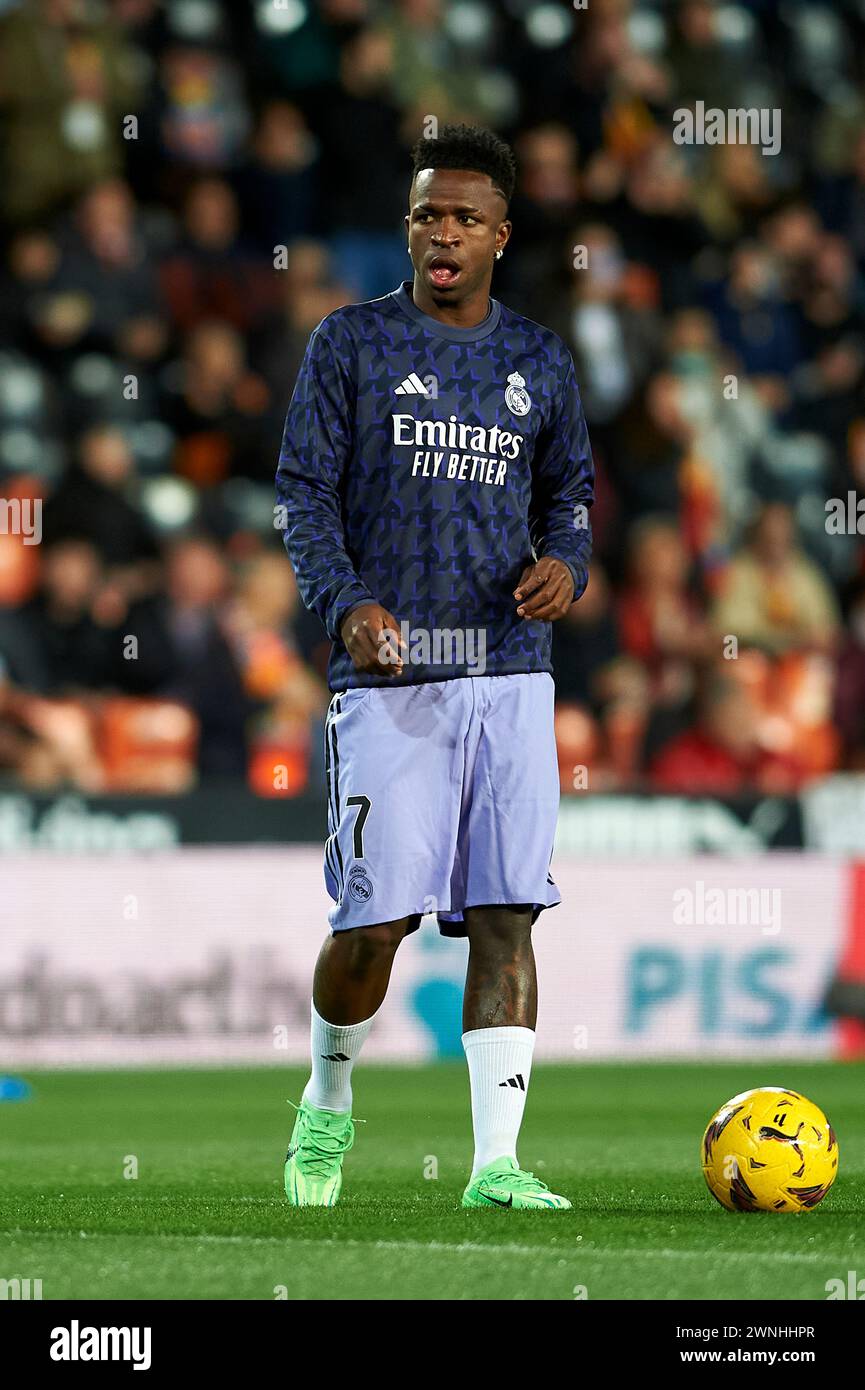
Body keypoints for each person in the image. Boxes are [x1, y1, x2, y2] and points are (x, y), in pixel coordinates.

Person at [276, 123, 594, 1211]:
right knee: (372, 924)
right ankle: (326, 1100)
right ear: (408, 231)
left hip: (508, 667)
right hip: (392, 676)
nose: (442, 233)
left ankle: (494, 1165)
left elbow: (573, 496)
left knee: (508, 912)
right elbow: (303, 494)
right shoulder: (349, 345)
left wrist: (567, 561)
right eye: (425, 216)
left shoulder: (540, 360)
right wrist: (349, 602)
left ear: (501, 235)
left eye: (463, 217)